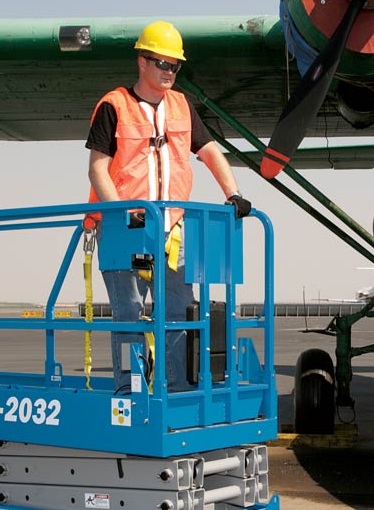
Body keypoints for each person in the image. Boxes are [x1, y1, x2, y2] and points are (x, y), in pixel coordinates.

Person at [85, 20, 251, 392]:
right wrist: (124, 214)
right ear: (141, 62)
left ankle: (175, 388)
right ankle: (130, 389)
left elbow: (208, 150)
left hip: (169, 232)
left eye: (175, 65)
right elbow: (98, 169)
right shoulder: (115, 106)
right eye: (162, 63)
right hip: (125, 231)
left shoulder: (181, 106)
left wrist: (233, 193)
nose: (169, 72)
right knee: (130, 312)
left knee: (179, 310)